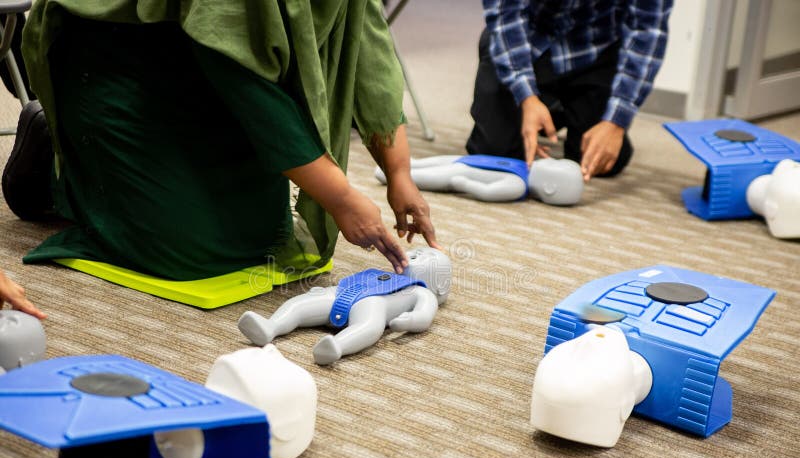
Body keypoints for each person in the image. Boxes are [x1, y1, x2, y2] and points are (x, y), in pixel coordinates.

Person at [2, 1, 439, 282]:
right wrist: (340, 198)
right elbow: (244, 83)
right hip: (117, 54)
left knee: (260, 246)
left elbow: (367, 39)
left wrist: (400, 173)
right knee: (189, 257)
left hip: (210, 61)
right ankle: (57, 155)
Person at [467, 0, 673, 181]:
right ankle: (543, 106)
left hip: (595, 48)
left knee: (601, 161)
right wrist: (526, 96)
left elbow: (648, 30)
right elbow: (505, 15)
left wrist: (616, 122)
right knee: (494, 158)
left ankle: (555, 111)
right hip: (529, 43)